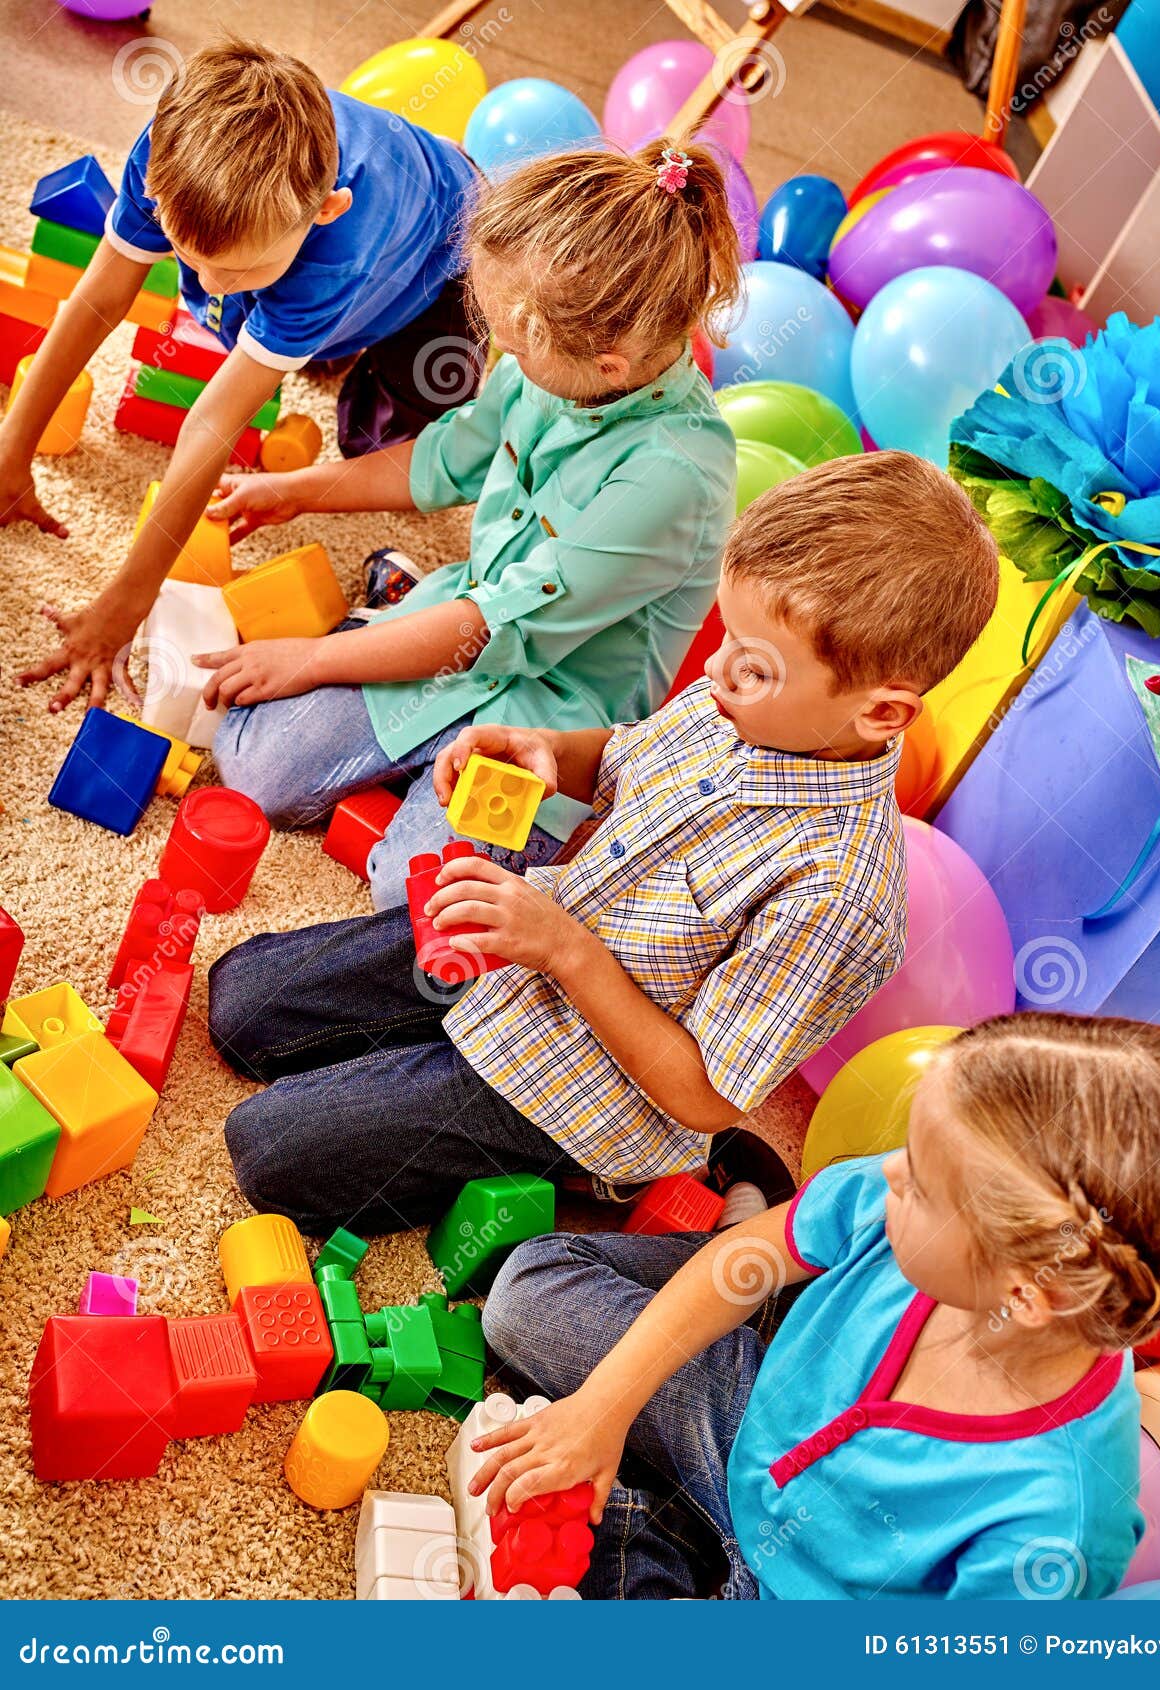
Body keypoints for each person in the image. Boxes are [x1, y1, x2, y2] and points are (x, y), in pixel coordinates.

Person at [207, 454, 998, 1233]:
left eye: (753, 666)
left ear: (882, 713)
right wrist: (547, 749)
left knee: (267, 1151)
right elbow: (625, 756)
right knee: (241, 1002)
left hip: (582, 1091)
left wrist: (564, 949)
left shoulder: (838, 896)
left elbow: (704, 1094)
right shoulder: (737, 702)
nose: (715, 668)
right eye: (727, 635)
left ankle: (596, 1181)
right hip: (520, 950)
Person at [474, 1013, 1160, 1600]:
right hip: (748, 1418)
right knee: (527, 1292)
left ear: (1025, 1294)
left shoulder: (1058, 1522)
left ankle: (660, 1534)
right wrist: (604, 1407)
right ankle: (658, 1512)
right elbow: (747, 1261)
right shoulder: (903, 1200)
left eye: (923, 1183)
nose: (891, 1170)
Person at [198, 140, 742, 905]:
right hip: (454, 630)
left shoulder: (674, 477)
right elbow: (446, 460)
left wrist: (313, 660)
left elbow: (493, 629)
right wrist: (300, 490)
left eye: (511, 342)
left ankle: (513, 807)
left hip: (547, 718)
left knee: (419, 900)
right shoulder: (553, 371)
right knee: (253, 769)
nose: (498, 353)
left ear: (608, 365)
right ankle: (397, 643)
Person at [10, 38, 480, 711]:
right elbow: (97, 300)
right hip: (328, 245)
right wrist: (11, 452)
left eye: (235, 269)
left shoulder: (338, 250)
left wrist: (125, 606)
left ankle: (354, 343)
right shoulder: (167, 154)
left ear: (324, 210)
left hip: (449, 254)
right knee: (263, 326)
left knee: (378, 440)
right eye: (187, 256)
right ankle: (308, 326)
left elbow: (213, 420)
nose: (203, 284)